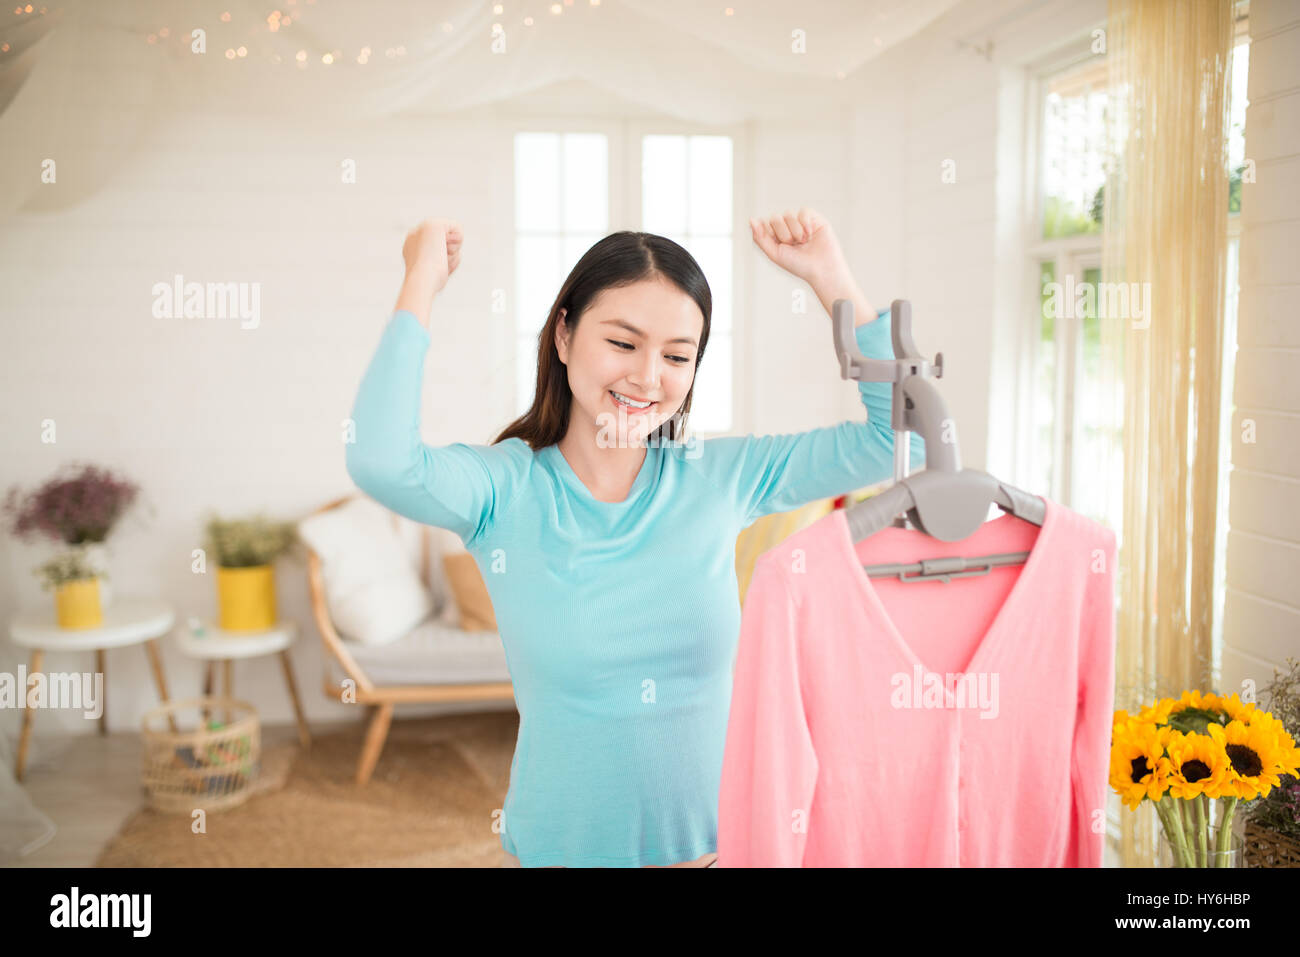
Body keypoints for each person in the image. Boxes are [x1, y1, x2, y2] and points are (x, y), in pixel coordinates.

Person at [346, 208, 925, 867]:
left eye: (677, 355)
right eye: (623, 343)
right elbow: (380, 459)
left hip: (725, 849)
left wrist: (831, 277)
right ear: (563, 335)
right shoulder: (503, 489)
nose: (649, 377)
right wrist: (421, 277)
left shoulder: (721, 476)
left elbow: (900, 438)